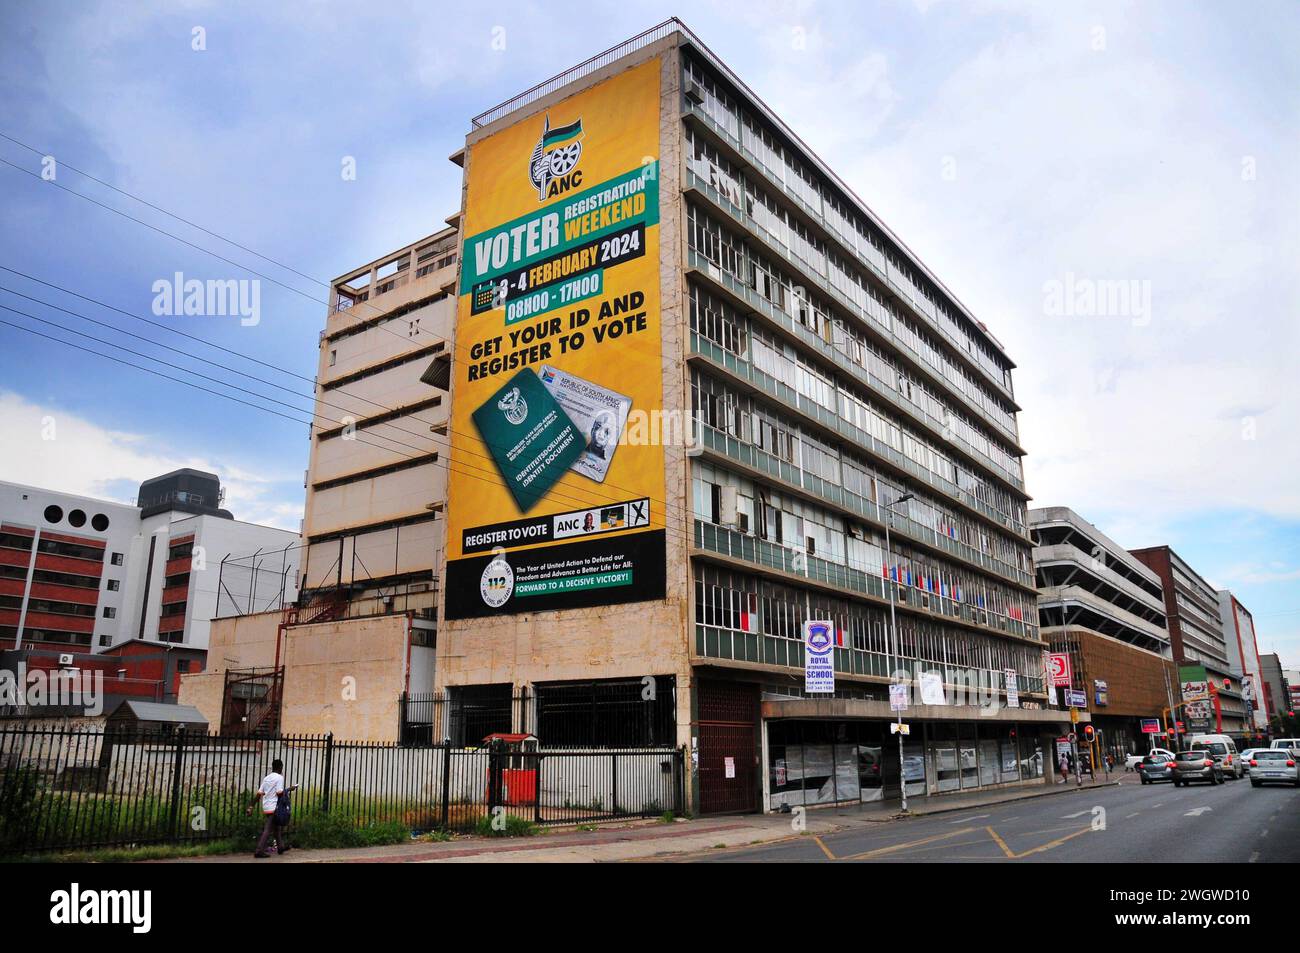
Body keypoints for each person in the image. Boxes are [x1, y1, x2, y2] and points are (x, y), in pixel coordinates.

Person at [248, 758, 298, 858]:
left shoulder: (266, 778)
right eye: (282, 768)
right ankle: (259, 850)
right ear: (280, 767)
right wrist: (289, 790)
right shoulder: (279, 777)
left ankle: (280, 847)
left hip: (266, 806)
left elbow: (259, 794)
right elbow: (279, 793)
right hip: (274, 807)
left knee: (277, 828)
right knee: (268, 829)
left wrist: (251, 806)